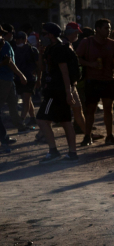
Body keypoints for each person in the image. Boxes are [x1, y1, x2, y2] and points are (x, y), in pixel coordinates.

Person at [36, 23, 80, 162]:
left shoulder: (59, 49)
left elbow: (64, 72)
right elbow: (42, 68)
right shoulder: (50, 48)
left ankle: (54, 151)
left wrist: (68, 92)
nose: (42, 37)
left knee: (42, 119)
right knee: (65, 121)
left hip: (56, 91)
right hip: (55, 89)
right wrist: (40, 53)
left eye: (44, 34)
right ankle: (72, 153)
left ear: (51, 35)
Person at [75, 18, 114, 146]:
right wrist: (90, 64)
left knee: (108, 109)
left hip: (108, 80)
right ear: (98, 29)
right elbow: (77, 58)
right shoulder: (87, 42)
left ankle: (109, 135)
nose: (109, 30)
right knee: (90, 110)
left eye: (109, 28)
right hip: (92, 81)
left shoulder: (112, 44)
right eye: (106, 28)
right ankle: (87, 136)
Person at [0, 26, 29, 146]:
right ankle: (4, 138)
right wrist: (21, 75)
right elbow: (9, 62)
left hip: (8, 79)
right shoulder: (4, 45)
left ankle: (20, 125)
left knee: (13, 104)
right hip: (3, 80)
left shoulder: (5, 44)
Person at [13, 31, 39, 128]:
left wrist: (39, 79)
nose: (18, 41)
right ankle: (32, 118)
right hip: (19, 78)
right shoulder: (15, 49)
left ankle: (21, 120)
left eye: (20, 39)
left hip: (30, 79)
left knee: (26, 99)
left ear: (25, 40)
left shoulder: (32, 50)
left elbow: (38, 65)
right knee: (27, 99)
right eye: (17, 39)